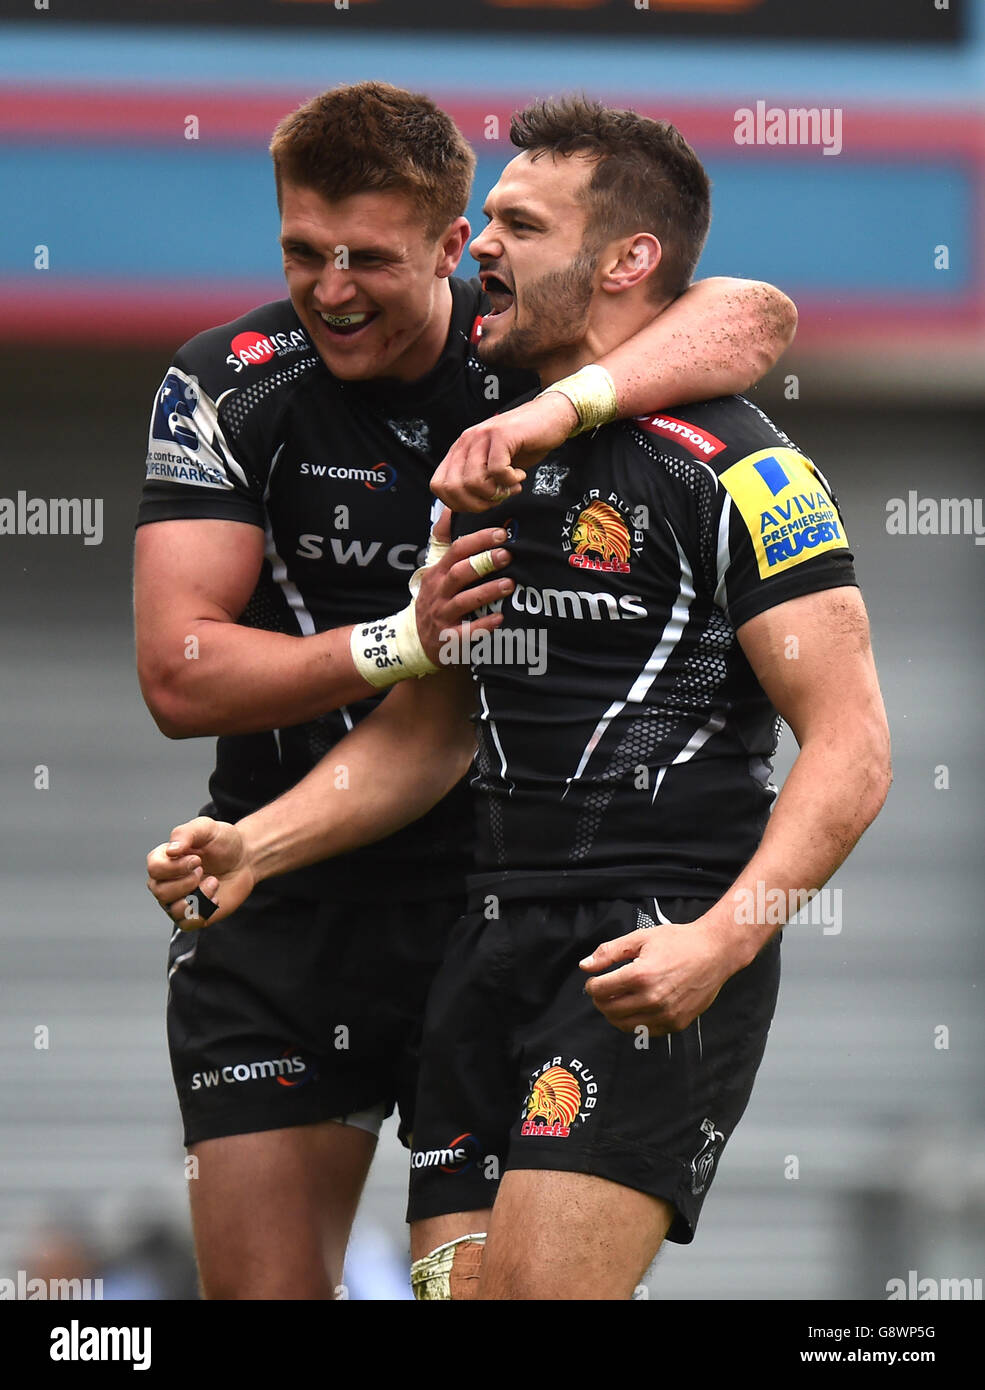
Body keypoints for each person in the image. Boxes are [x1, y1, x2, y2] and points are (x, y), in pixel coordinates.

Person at [137, 81, 799, 1300]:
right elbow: (179, 678)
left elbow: (754, 312)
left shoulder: (524, 370)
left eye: (370, 261)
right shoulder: (231, 382)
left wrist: (555, 410)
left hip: (499, 898)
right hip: (295, 893)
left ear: (452, 251)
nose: (331, 289)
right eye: (301, 253)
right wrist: (398, 643)